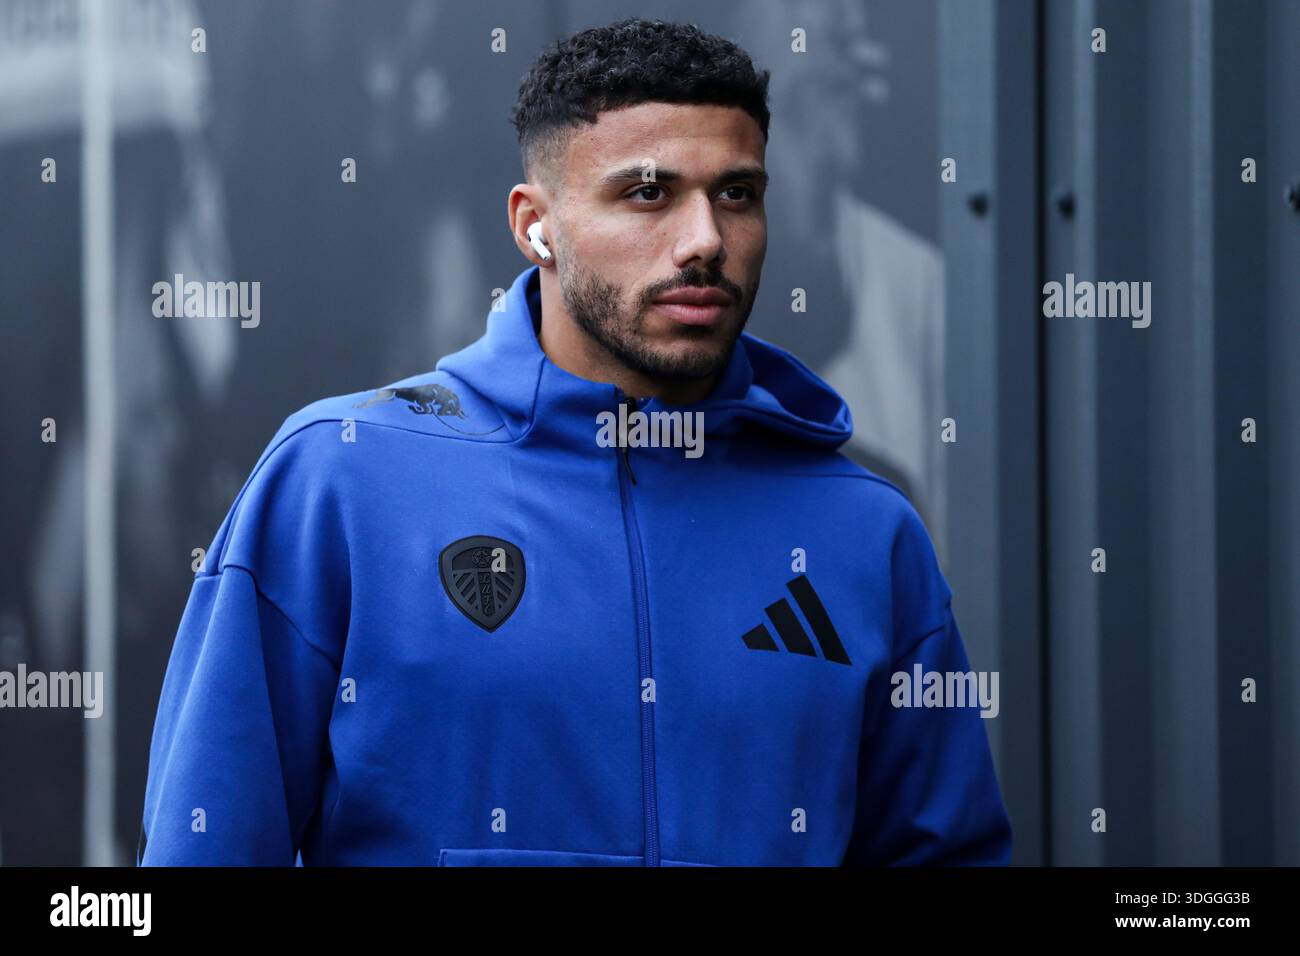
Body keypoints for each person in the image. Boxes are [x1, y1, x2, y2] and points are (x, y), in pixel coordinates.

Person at [139, 16, 1011, 866]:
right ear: (534, 225)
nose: (705, 239)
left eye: (735, 194)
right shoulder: (340, 480)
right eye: (649, 192)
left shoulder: (864, 530)